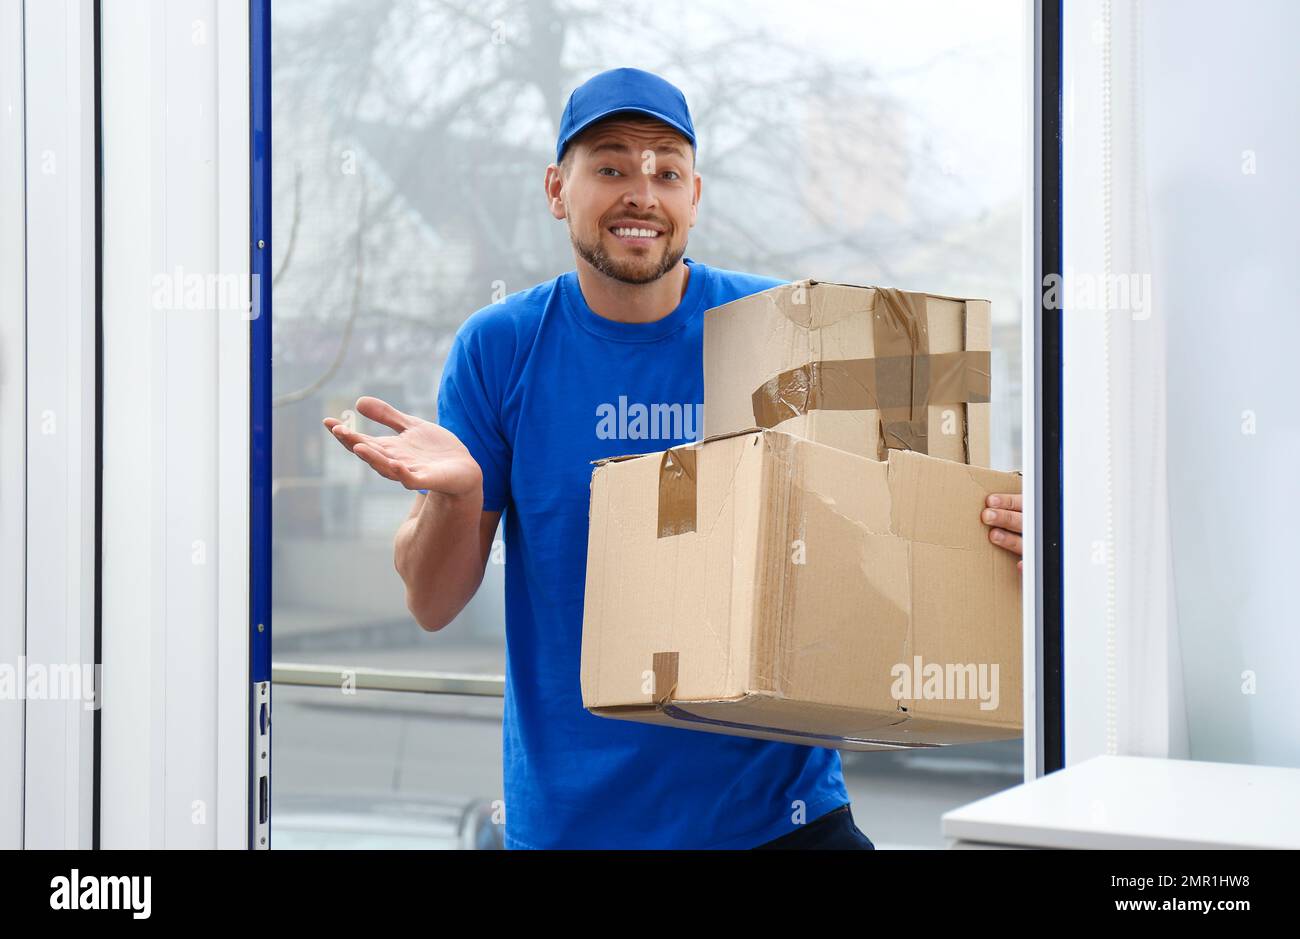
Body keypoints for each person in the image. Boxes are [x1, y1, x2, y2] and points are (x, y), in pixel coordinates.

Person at [322, 67, 1024, 850]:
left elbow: (890, 536)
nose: (641, 193)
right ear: (558, 189)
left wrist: (996, 540)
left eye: (667, 171)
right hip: (579, 831)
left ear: (695, 196)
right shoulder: (502, 349)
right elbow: (432, 602)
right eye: (611, 166)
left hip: (783, 825)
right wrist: (458, 497)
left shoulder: (781, 332)